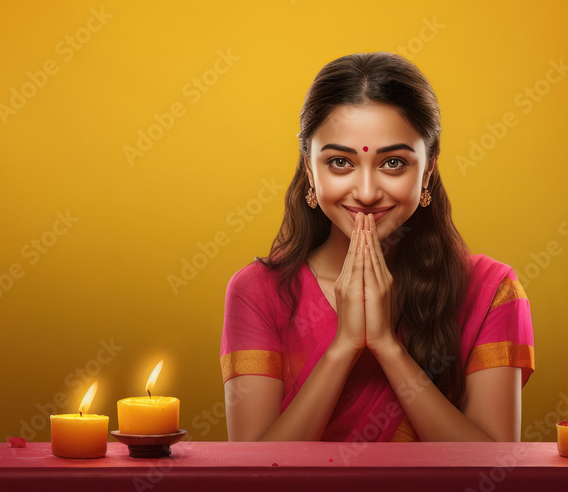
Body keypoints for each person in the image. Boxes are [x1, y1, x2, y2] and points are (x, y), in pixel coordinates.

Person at [220, 52, 534, 442]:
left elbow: (494, 469)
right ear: (308, 169)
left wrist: (387, 347)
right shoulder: (257, 292)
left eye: (393, 164)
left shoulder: (491, 291)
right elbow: (255, 474)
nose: (366, 193)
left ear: (429, 169)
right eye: (339, 162)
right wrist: (345, 346)